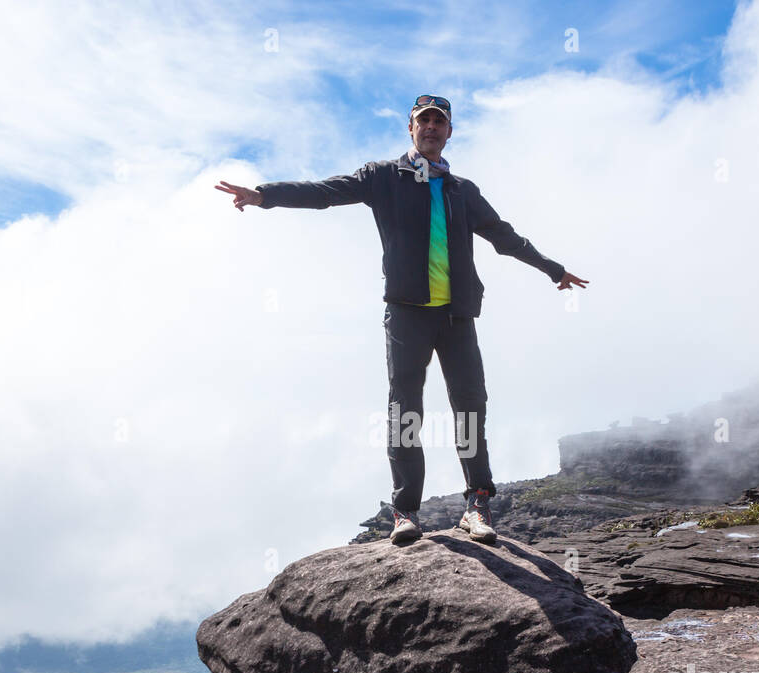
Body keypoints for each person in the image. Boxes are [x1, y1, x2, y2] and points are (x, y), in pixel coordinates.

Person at [216, 94, 587, 545]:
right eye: (423, 120)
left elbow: (503, 237)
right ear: (410, 129)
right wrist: (265, 196)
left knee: (470, 409)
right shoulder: (383, 177)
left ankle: (477, 505)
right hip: (407, 316)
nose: (431, 127)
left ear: (449, 132)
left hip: (457, 317)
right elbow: (325, 193)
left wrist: (553, 270)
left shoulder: (461, 191)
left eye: (439, 121)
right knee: (405, 411)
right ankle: (406, 511)